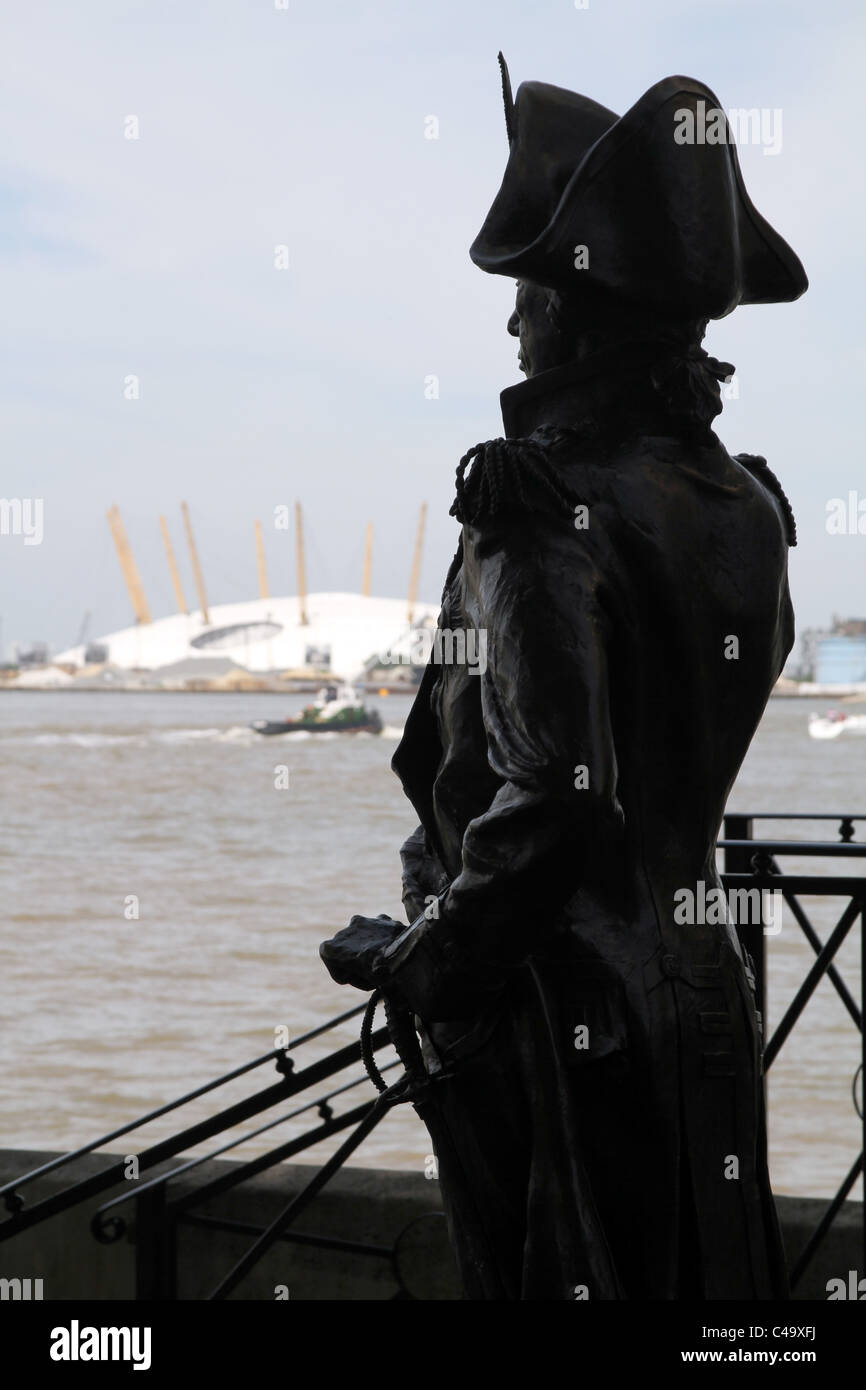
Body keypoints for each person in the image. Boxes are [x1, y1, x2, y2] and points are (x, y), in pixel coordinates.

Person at [321, 61, 807, 1300]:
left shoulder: (535, 512)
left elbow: (556, 796)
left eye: (528, 294)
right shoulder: (747, 506)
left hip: (557, 1014)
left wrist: (428, 957)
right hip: (699, 985)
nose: (511, 325)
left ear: (580, 315)